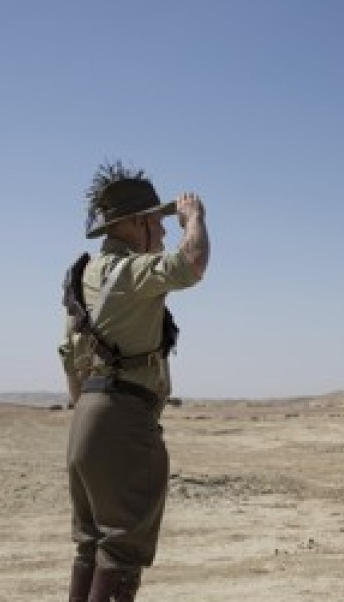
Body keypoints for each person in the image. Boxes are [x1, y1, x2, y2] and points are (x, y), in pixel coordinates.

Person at [59, 161, 209, 601]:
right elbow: (191, 263)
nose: (162, 231)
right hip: (122, 415)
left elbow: (69, 357)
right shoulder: (126, 272)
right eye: (156, 222)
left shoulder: (85, 275)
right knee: (122, 551)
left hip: (88, 416)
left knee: (92, 545)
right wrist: (194, 218)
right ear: (132, 224)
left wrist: (91, 413)